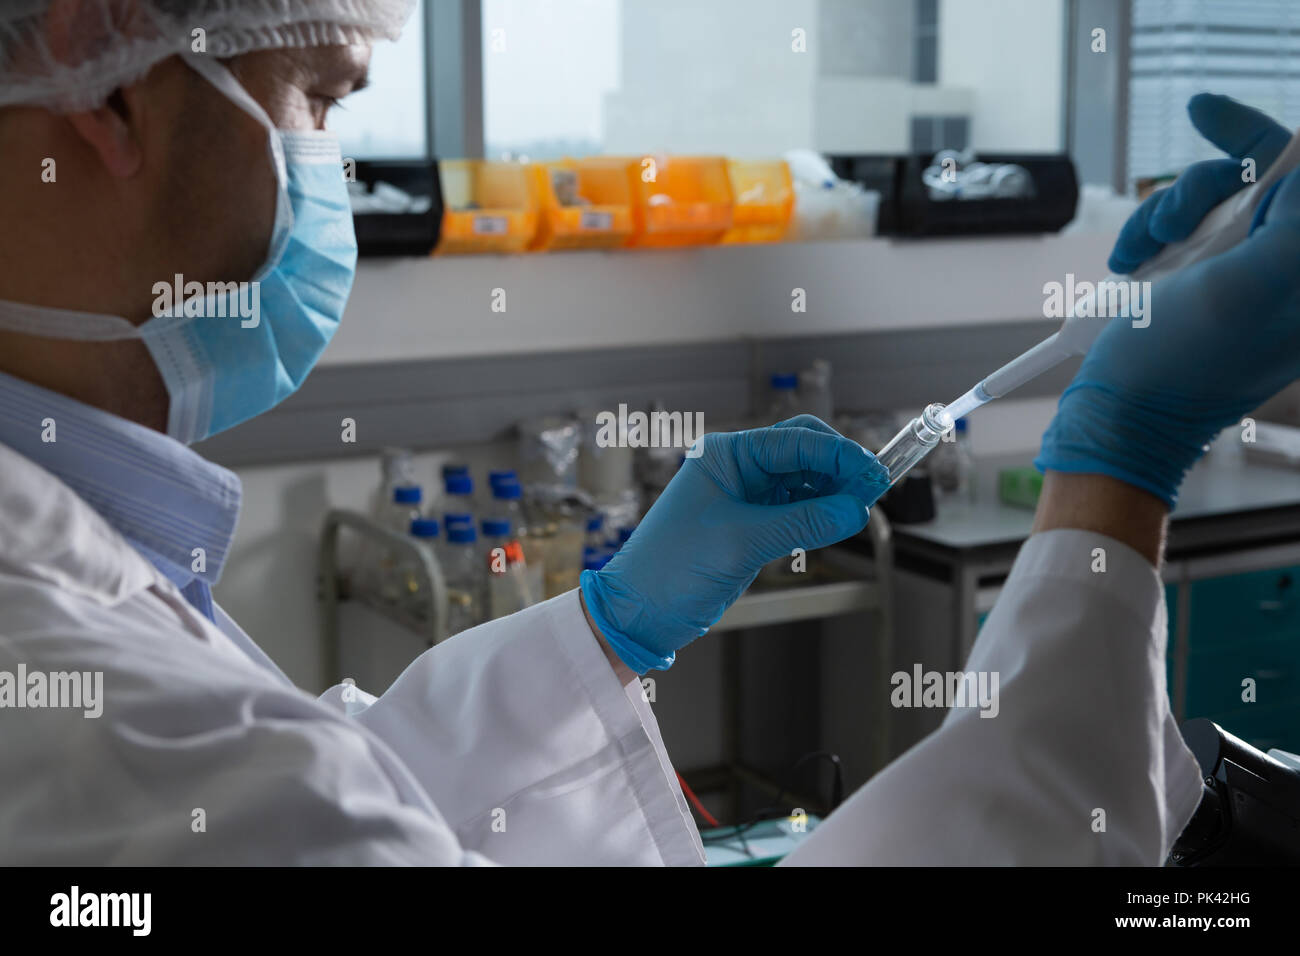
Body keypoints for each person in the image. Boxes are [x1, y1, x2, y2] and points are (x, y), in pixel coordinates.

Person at [0, 1, 1295, 864]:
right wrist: (1116, 465)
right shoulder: (96, 712)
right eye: (318, 98)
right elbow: (294, 811)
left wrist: (602, 629)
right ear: (101, 87)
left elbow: (355, 786)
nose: (329, 168)